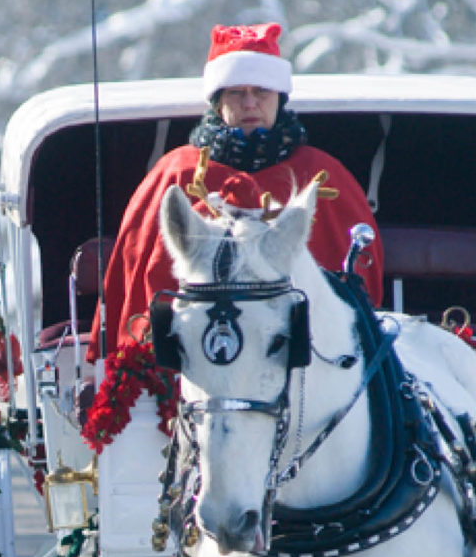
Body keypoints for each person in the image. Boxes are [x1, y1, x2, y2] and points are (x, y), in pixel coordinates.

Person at [91, 22, 385, 359]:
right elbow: (134, 276)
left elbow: (355, 292)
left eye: (261, 91)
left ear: (279, 98)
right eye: (236, 92)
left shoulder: (322, 176)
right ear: (218, 102)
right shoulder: (176, 173)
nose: (249, 103)